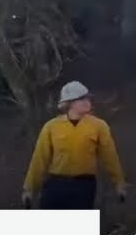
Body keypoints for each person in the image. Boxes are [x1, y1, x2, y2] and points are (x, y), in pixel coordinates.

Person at [22, 81, 128, 210]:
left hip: (83, 186)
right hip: (56, 185)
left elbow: (110, 156)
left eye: (87, 97)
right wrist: (29, 188)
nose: (87, 101)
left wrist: (119, 184)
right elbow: (40, 158)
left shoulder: (99, 126)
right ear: (69, 103)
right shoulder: (51, 127)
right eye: (81, 99)